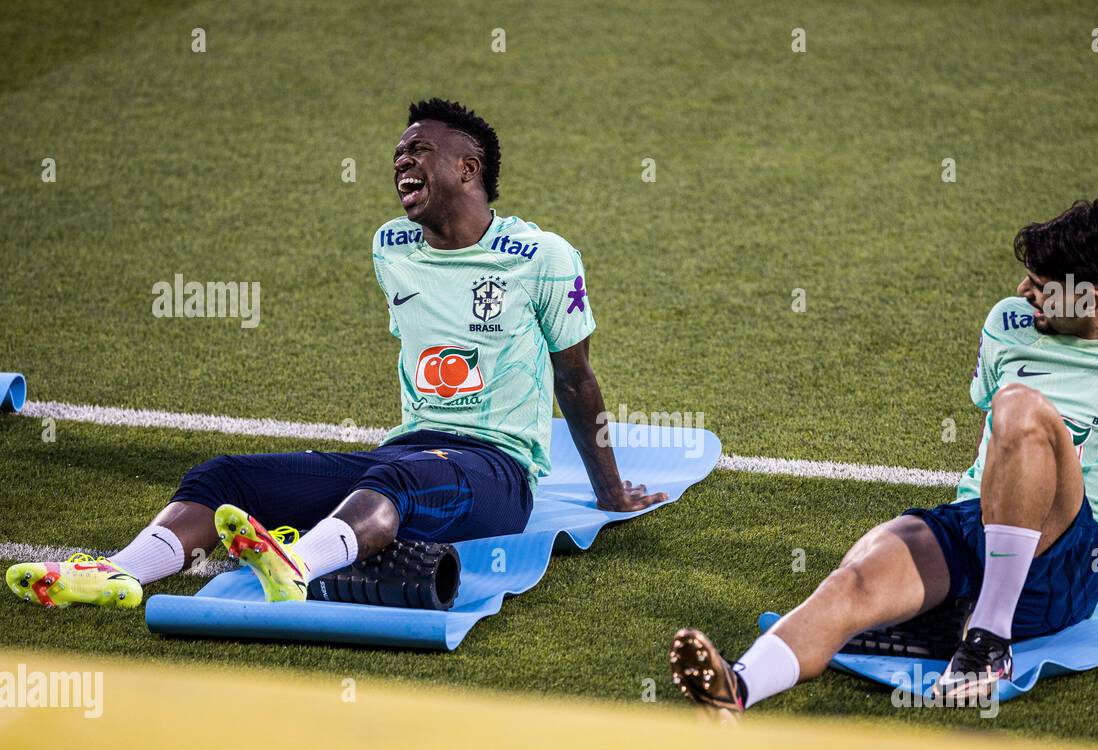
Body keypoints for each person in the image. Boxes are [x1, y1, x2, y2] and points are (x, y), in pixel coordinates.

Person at [7, 98, 664, 609]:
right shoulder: (392, 248)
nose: (401, 162)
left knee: (395, 484)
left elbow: (574, 377)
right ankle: (121, 573)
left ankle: (296, 565)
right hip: (403, 451)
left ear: (469, 168)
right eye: (398, 154)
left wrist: (609, 492)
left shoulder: (544, 257)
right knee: (222, 476)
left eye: (419, 151)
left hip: (497, 471)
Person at [670, 197, 1098, 715]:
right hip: (981, 524)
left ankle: (987, 637)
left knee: (1021, 406)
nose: (1022, 292)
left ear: (1092, 296)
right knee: (854, 578)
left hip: (1078, 560)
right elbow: (997, 453)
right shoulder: (1007, 323)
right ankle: (738, 688)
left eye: (1043, 286)